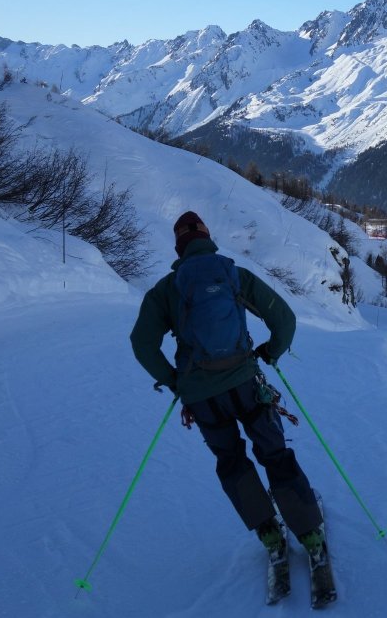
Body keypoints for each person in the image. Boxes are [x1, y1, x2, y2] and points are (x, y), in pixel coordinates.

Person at [128, 211, 326, 570]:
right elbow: (285, 319)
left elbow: (142, 344)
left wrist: (176, 381)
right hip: (245, 384)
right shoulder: (234, 274)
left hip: (201, 398)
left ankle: (269, 534)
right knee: (275, 454)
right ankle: (310, 534)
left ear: (179, 246)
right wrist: (271, 352)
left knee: (231, 461)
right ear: (207, 236)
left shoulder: (166, 291)